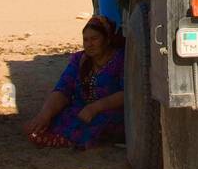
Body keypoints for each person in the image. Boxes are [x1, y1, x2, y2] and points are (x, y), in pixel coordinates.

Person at [24, 15, 125, 149]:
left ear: (107, 40)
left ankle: (70, 140)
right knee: (57, 116)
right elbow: (63, 88)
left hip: (109, 111)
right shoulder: (79, 60)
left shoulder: (121, 60)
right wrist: (44, 115)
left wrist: (94, 108)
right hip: (82, 109)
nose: (89, 44)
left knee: (100, 121)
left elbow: (127, 93)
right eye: (86, 40)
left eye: (94, 39)